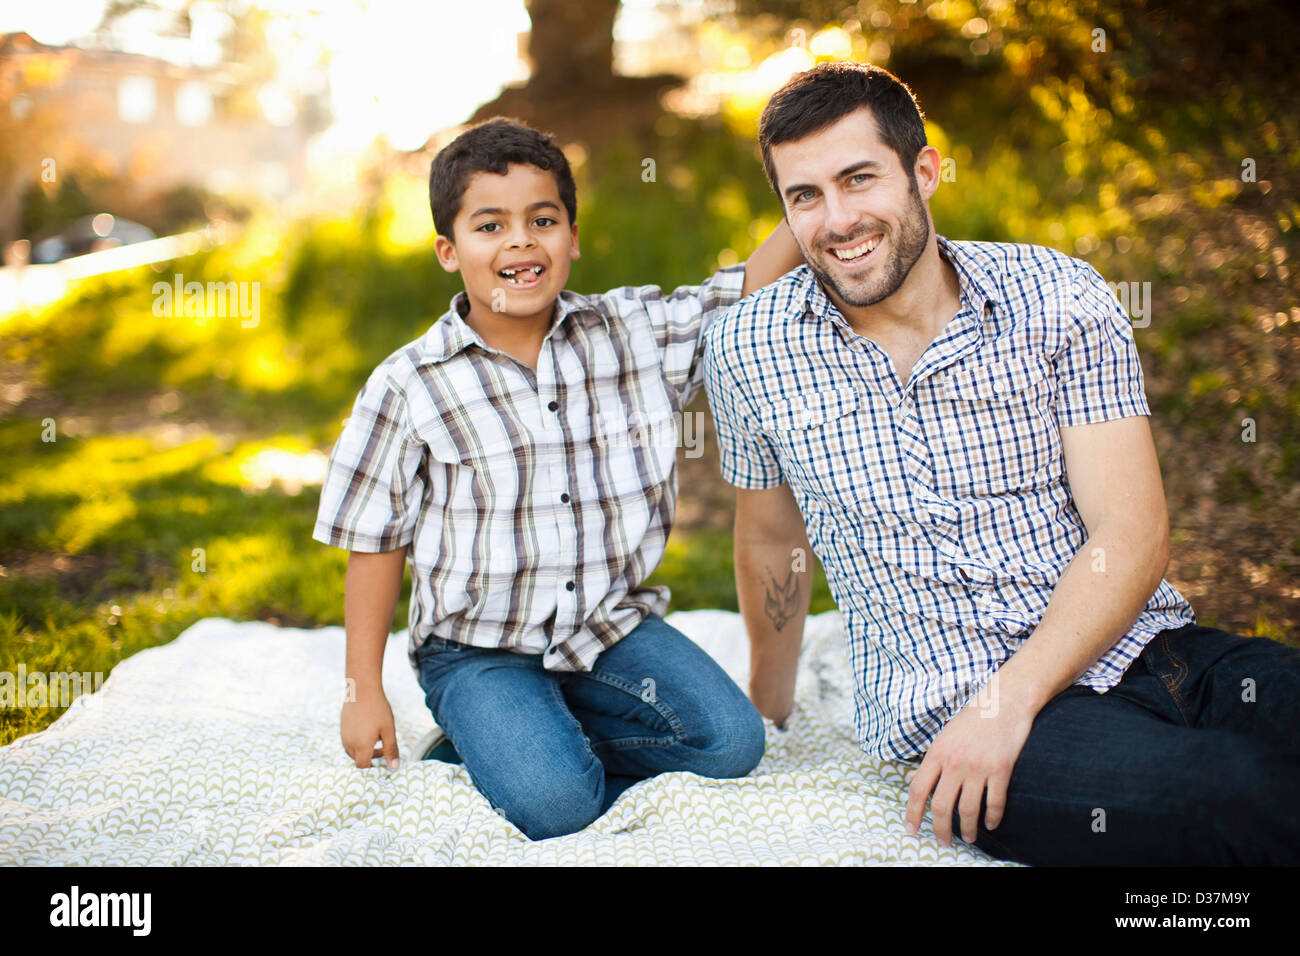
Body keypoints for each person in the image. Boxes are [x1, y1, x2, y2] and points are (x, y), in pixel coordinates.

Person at [703, 61, 1300, 865]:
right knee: (1238, 795)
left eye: (859, 179)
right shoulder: (749, 347)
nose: (837, 220)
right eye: (804, 196)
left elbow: (1131, 532)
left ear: (925, 171)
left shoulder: (1057, 294)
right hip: (966, 715)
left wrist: (1011, 698)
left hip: (1158, 654)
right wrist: (767, 713)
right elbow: (772, 540)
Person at [313, 117, 804, 841]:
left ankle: (532, 736)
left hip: (609, 627)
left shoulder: (632, 333)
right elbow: (373, 542)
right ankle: (499, 734)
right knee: (557, 805)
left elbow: (745, 289)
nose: (519, 241)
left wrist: (815, 200)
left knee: (731, 745)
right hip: (478, 649)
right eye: (490, 226)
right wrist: (364, 691)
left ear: (572, 237)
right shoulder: (409, 384)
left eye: (542, 220)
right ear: (449, 252)